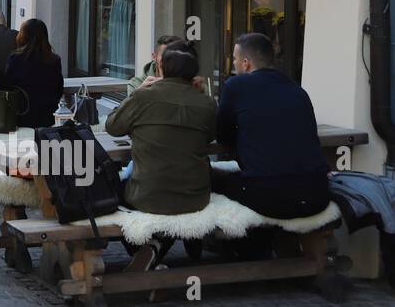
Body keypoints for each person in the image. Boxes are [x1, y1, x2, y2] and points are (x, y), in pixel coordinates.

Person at [212, 33, 330, 219]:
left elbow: (223, 136)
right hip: (317, 193)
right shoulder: (297, 90)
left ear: (245, 63)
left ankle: (249, 247)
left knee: (209, 179)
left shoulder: (236, 85)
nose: (233, 64)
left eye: (234, 59)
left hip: (268, 195)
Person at [105, 43, 217, 214]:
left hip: (145, 198)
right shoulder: (207, 103)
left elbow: (112, 126)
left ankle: (143, 240)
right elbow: (209, 136)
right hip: (195, 199)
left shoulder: (143, 97)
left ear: (161, 67)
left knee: (111, 185)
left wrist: (138, 91)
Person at [4, 18, 65, 129]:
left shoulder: (15, 59)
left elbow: (8, 85)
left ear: (24, 36)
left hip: (22, 117)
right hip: (47, 117)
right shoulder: (54, 60)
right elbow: (59, 88)